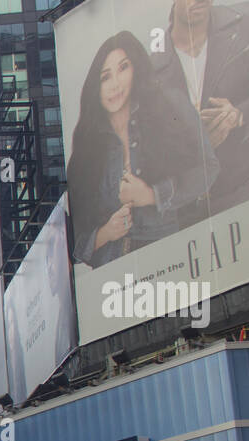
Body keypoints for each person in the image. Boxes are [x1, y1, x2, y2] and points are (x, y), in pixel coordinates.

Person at [67, 31, 218, 269]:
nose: (115, 84)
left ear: (136, 69)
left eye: (123, 68)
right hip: (113, 280)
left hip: (171, 262)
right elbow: (75, 247)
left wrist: (152, 195)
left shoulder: (169, 105)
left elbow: (209, 168)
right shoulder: (87, 147)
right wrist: (106, 232)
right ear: (95, 87)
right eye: (105, 77)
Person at [152, 0, 249, 218]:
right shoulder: (152, 60)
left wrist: (239, 115)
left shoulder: (246, 18)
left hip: (246, 191)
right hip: (188, 213)